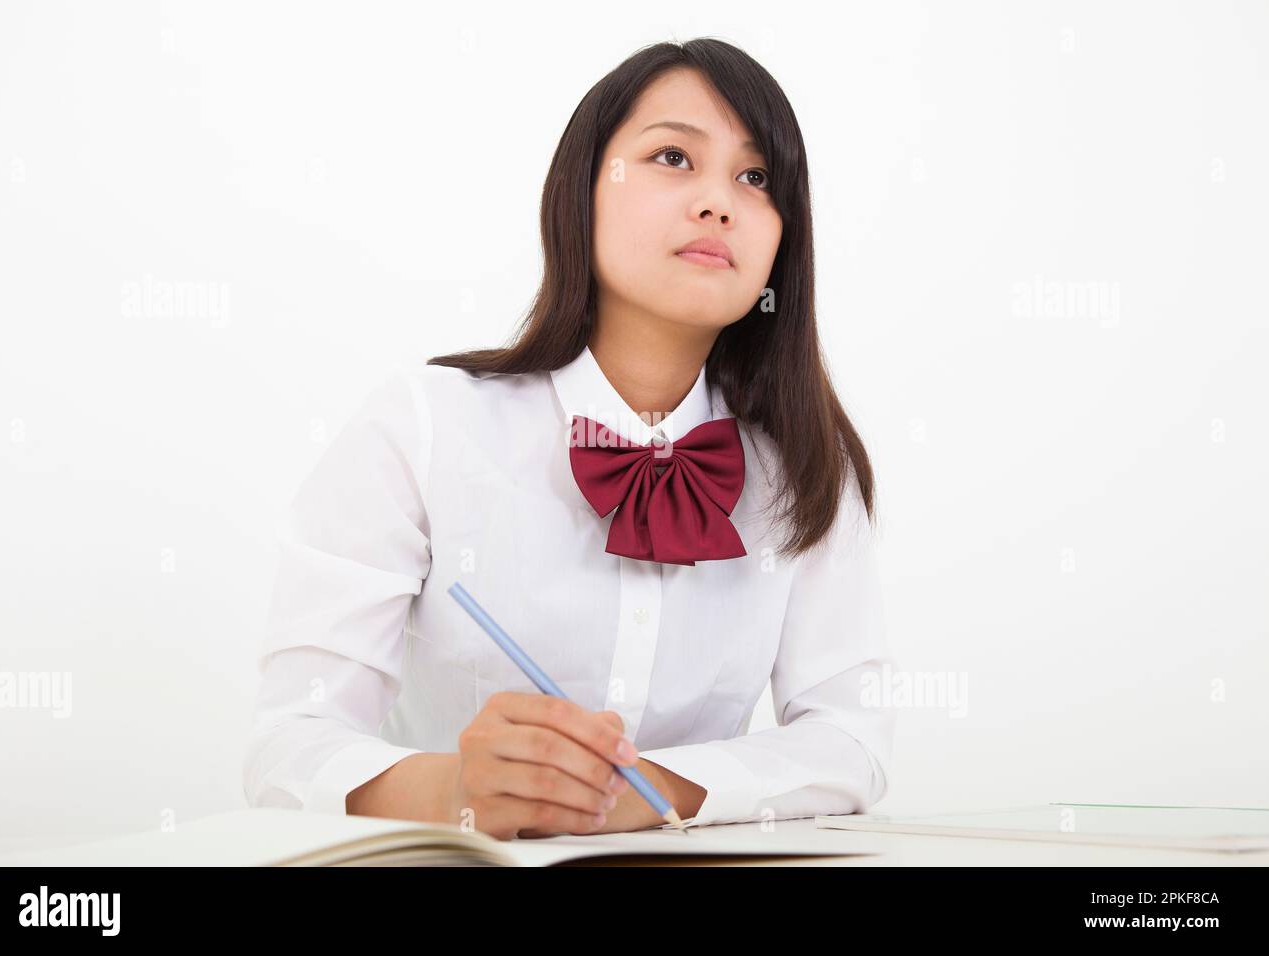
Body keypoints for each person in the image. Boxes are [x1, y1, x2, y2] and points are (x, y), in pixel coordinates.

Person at [242, 37, 894, 842]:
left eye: (756, 178)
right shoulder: (420, 424)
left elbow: (850, 739)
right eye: (672, 157)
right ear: (579, 192)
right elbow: (286, 747)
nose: (719, 202)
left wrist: (647, 788)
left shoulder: (806, 469)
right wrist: (453, 788)